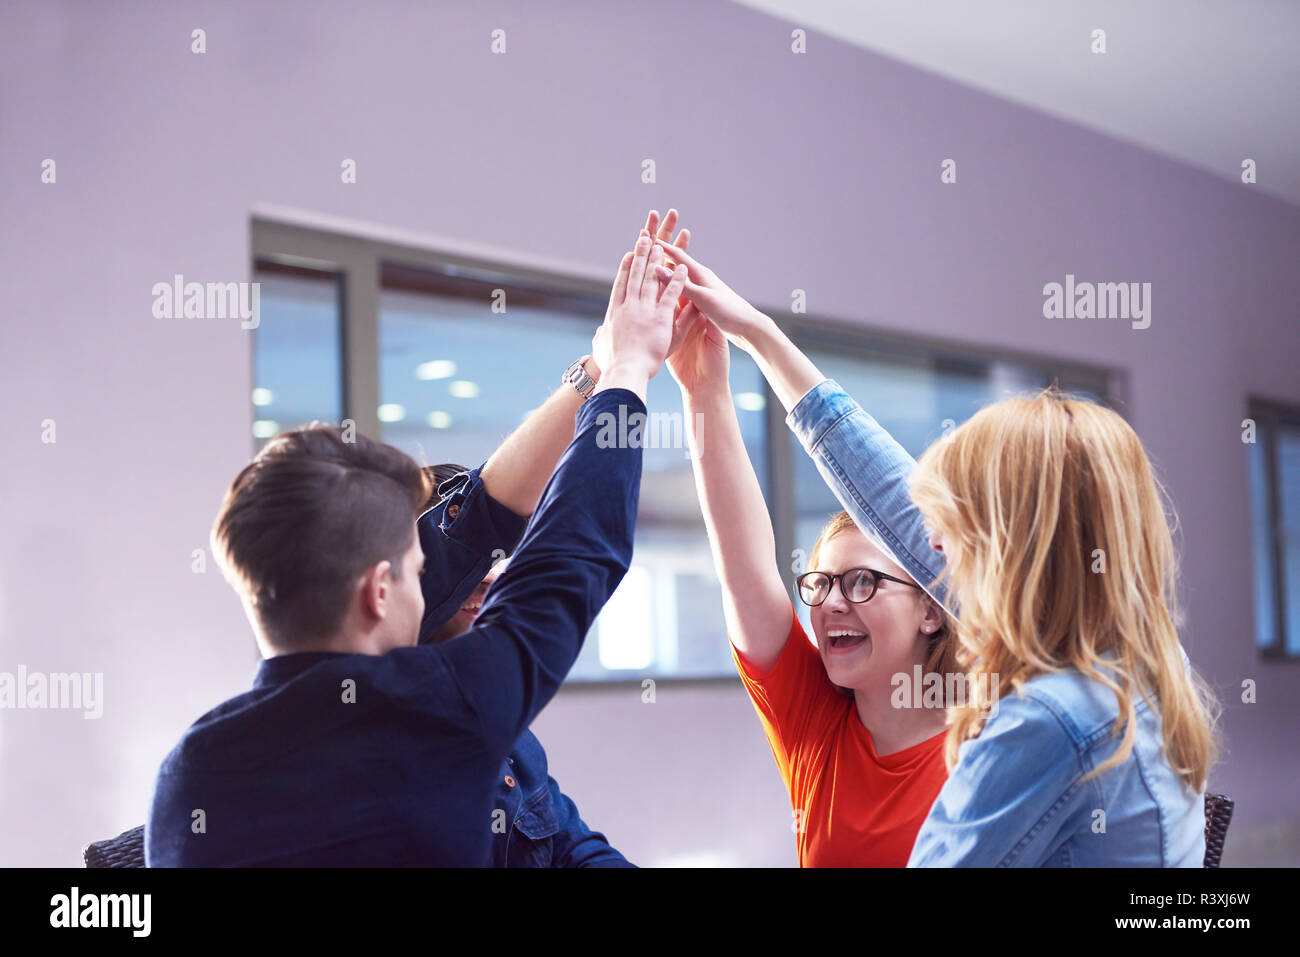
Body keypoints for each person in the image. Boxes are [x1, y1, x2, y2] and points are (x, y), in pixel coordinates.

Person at [647, 227, 1218, 866]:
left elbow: (902, 513)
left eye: (864, 580)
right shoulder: (1133, 666)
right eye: (820, 582)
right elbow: (875, 505)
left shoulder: (1044, 721)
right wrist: (743, 350)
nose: (937, 542)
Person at [145, 232, 688, 865]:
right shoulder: (438, 710)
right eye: (416, 566)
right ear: (379, 590)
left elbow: (484, 524)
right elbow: (569, 558)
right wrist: (628, 373)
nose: (436, 571)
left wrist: (600, 369)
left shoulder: (186, 775)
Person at [662, 281, 958, 866]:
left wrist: (759, 333)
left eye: (862, 582)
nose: (829, 605)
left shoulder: (996, 737)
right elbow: (744, 563)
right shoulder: (814, 722)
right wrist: (702, 389)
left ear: (931, 606)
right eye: (819, 583)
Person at [422, 464, 633, 868]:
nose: (489, 584)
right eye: (470, 564)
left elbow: (572, 847)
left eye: (499, 564)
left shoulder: (511, 735)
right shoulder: (378, 709)